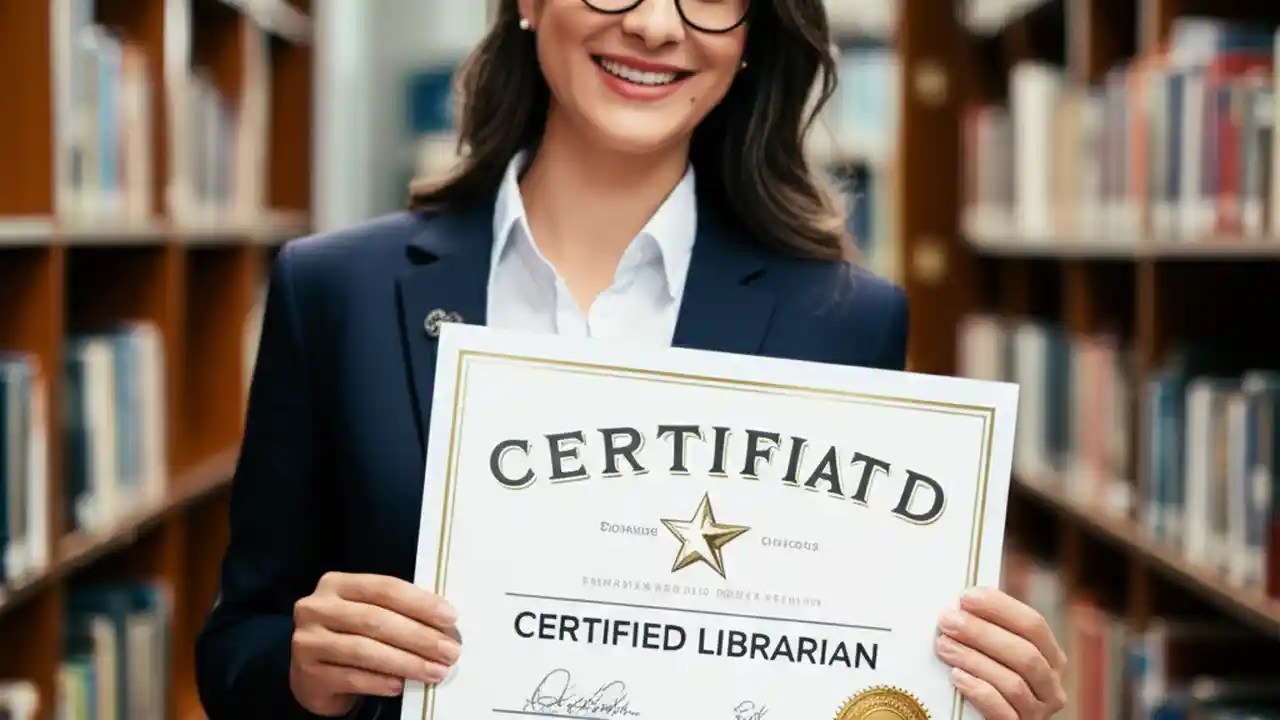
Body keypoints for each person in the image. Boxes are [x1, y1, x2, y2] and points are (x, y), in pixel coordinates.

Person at [195, 0, 1069, 718]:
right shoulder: (335, 291)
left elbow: (843, 662)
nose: (655, 24)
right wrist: (304, 673)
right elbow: (237, 650)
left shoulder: (844, 322)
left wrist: (965, 686)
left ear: (752, 32)